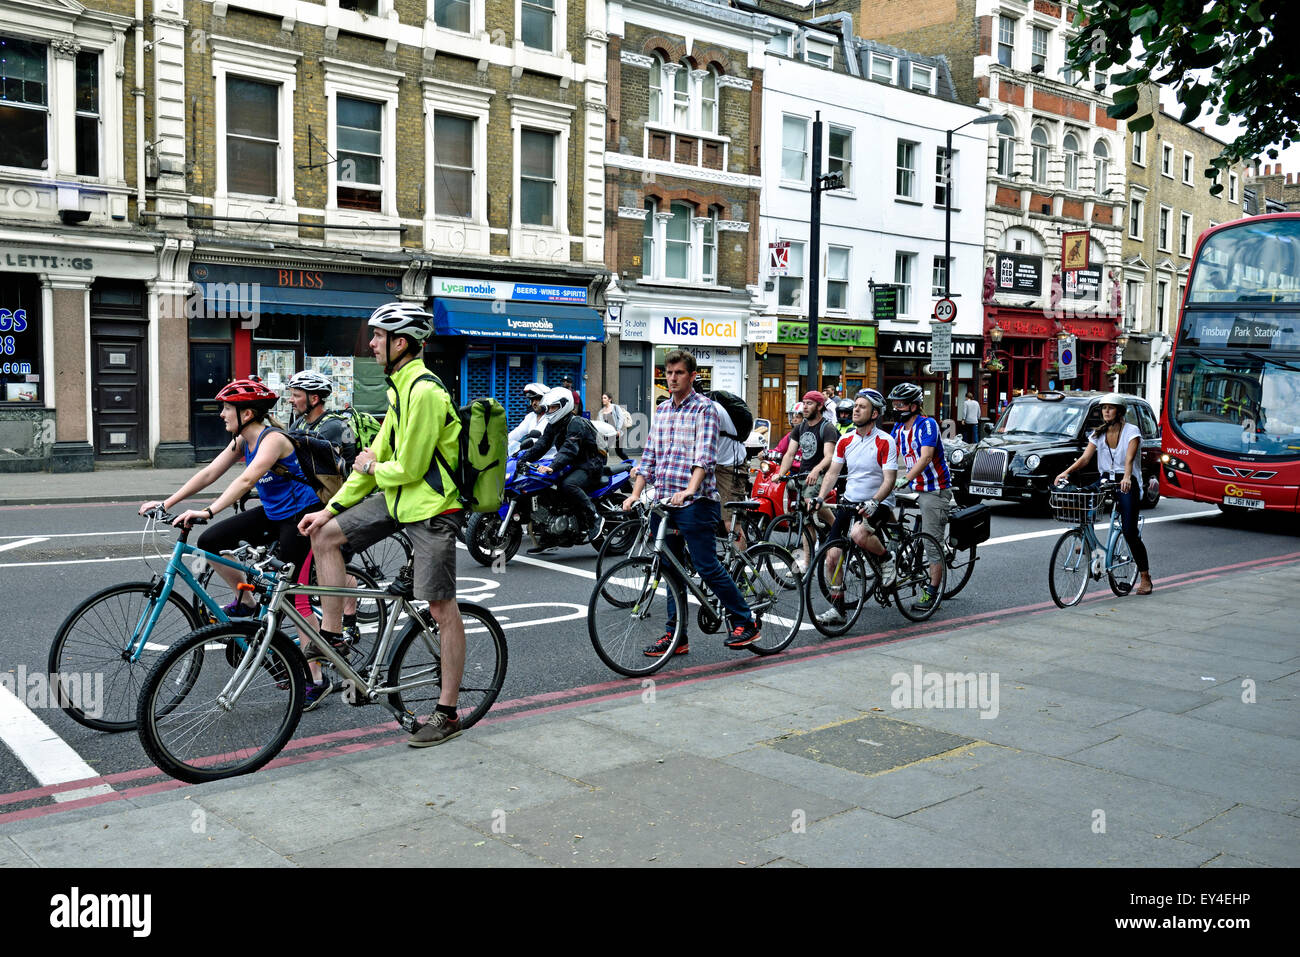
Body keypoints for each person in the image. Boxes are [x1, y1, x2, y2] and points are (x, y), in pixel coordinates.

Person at [298, 301, 468, 746]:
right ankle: (333, 635)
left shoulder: (426, 392)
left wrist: (373, 467)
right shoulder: (399, 391)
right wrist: (330, 509)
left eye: (377, 336)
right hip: (398, 501)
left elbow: (407, 467)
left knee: (440, 609)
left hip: (433, 510)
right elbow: (369, 463)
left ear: (402, 343)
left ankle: (447, 711)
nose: (371, 344)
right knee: (324, 535)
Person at [138, 377, 332, 705]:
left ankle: (316, 678)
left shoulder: (273, 440)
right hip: (274, 514)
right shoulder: (242, 440)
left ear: (247, 413)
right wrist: (166, 504)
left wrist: (209, 509)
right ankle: (247, 601)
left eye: (227, 408)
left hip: (302, 518)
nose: (221, 414)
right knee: (211, 540)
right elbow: (209, 473)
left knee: (294, 598)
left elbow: (246, 479)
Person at [622, 349, 760, 657]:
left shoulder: (705, 410)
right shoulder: (662, 411)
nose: (672, 378)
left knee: (704, 563)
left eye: (679, 373)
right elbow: (650, 457)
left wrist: (690, 489)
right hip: (664, 502)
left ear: (692, 376)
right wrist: (635, 493)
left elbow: (705, 457)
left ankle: (745, 620)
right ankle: (676, 636)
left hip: (697, 501)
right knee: (670, 569)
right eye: (668, 373)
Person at [287, 370, 363, 689]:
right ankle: (343, 618)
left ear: (314, 398)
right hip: (319, 503)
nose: (290, 400)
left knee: (325, 562)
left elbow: (340, 472)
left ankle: (344, 624)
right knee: (325, 568)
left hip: (343, 505)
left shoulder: (331, 426)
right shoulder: (299, 424)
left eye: (296, 395)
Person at [812, 389, 899, 625]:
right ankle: (838, 608)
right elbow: (832, 472)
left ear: (875, 413)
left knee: (858, 534)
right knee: (832, 557)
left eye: (862, 406)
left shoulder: (885, 441)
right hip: (850, 502)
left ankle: (886, 558)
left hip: (879, 501)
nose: (856, 410)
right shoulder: (846, 440)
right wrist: (820, 497)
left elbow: (889, 479)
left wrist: (874, 501)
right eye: (855, 406)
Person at [1054, 394, 1153, 595]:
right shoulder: (1098, 434)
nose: (1106, 411)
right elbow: (1084, 458)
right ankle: (1084, 538)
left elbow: (1129, 458)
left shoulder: (1131, 431)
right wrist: (1066, 472)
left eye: (1111, 407)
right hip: (1105, 479)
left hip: (1126, 482)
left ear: (1120, 411)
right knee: (1081, 496)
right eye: (1104, 408)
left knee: (1129, 531)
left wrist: (1126, 477)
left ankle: (1145, 577)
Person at [889, 381, 952, 614]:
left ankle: (933, 590)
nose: (896, 408)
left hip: (934, 488)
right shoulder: (897, 430)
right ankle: (895, 544)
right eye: (894, 403)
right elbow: (887, 455)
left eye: (901, 404)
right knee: (879, 507)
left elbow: (925, 458)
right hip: (912, 485)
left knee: (930, 542)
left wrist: (904, 479)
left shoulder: (928, 425)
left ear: (914, 406)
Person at [520, 386, 608, 545]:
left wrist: (553, 466)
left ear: (564, 406)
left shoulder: (576, 423)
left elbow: (569, 449)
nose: (550, 410)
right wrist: (522, 459)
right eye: (549, 407)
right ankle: (551, 534)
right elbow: (542, 445)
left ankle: (595, 517)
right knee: (548, 486)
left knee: (569, 484)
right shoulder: (553, 424)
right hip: (574, 463)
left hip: (591, 463)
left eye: (554, 407)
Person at [776, 390, 839, 527]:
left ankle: (836, 527)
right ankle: (808, 549)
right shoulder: (800, 428)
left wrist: (816, 470)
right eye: (804, 403)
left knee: (811, 501)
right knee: (806, 523)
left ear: (819, 406)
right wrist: (780, 473)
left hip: (820, 475)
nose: (804, 407)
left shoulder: (827, 428)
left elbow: (829, 456)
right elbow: (789, 454)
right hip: (803, 476)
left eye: (809, 403)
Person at [711, 392, 753, 551]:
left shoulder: (712, 409)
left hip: (730, 468)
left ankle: (741, 571)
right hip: (711, 466)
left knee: (731, 524)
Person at [508, 382, 550, 454]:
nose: (534, 403)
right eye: (532, 400)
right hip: (531, 458)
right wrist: (503, 441)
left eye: (537, 399)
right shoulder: (531, 416)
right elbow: (517, 432)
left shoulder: (553, 417)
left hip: (548, 460)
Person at [598, 392, 628, 458]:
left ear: (610, 399)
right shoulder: (601, 412)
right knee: (603, 450)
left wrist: (618, 430)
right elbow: (601, 424)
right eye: (602, 398)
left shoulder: (615, 407)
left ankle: (630, 464)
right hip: (608, 434)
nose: (603, 399)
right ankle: (602, 466)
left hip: (618, 433)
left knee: (619, 452)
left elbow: (621, 419)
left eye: (605, 398)